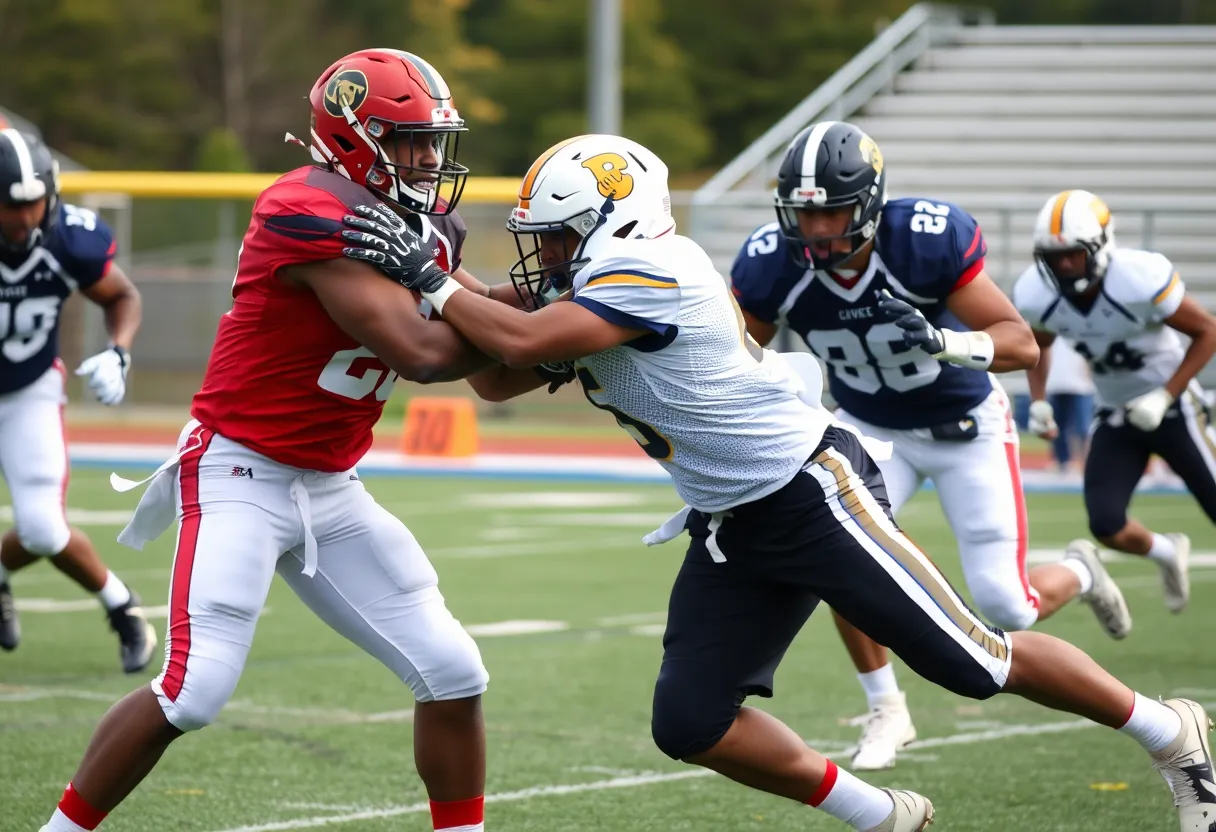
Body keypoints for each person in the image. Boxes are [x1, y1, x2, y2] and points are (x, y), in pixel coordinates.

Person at [340, 131, 1216, 832]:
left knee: (975, 661)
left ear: (611, 221)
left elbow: (523, 346)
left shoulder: (657, 269)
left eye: (559, 235)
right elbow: (497, 378)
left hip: (810, 489)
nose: (546, 254)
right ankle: (880, 814)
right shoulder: (597, 281)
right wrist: (434, 294)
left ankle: (1168, 730)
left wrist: (431, 276)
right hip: (731, 518)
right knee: (691, 722)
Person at [39, 49, 515, 832]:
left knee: (454, 670)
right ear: (354, 138)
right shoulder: (306, 207)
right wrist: (518, 329)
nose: (431, 159)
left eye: (436, 140)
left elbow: (490, 358)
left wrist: (562, 320)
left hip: (331, 486)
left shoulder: (429, 227)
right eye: (410, 140)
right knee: (193, 692)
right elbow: (426, 353)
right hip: (237, 473)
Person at [729, 121, 1129, 771]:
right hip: (871, 430)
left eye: (831, 213)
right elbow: (736, 354)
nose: (817, 230)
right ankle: (887, 706)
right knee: (835, 551)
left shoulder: (924, 241)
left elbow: (1020, 343)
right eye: (803, 214)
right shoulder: (773, 260)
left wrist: (947, 342)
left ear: (867, 205)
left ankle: (1080, 569)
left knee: (1006, 606)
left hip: (963, 426)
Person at [1013, 188, 1213, 615]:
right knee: (1106, 524)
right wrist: (1039, 399)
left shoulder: (1138, 278)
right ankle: (1165, 551)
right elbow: (1038, 345)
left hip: (1175, 409)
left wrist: (1165, 394)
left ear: (1101, 246)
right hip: (1116, 413)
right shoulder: (1038, 294)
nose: (1064, 264)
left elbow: (1208, 331)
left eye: (1074, 253)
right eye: (1054, 255)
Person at [0, 127, 155, 673]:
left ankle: (123, 607)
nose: (22, 218)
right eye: (7, 205)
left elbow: (122, 295)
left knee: (42, 527)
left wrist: (119, 351)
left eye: (32, 203)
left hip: (28, 389)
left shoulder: (69, 238)